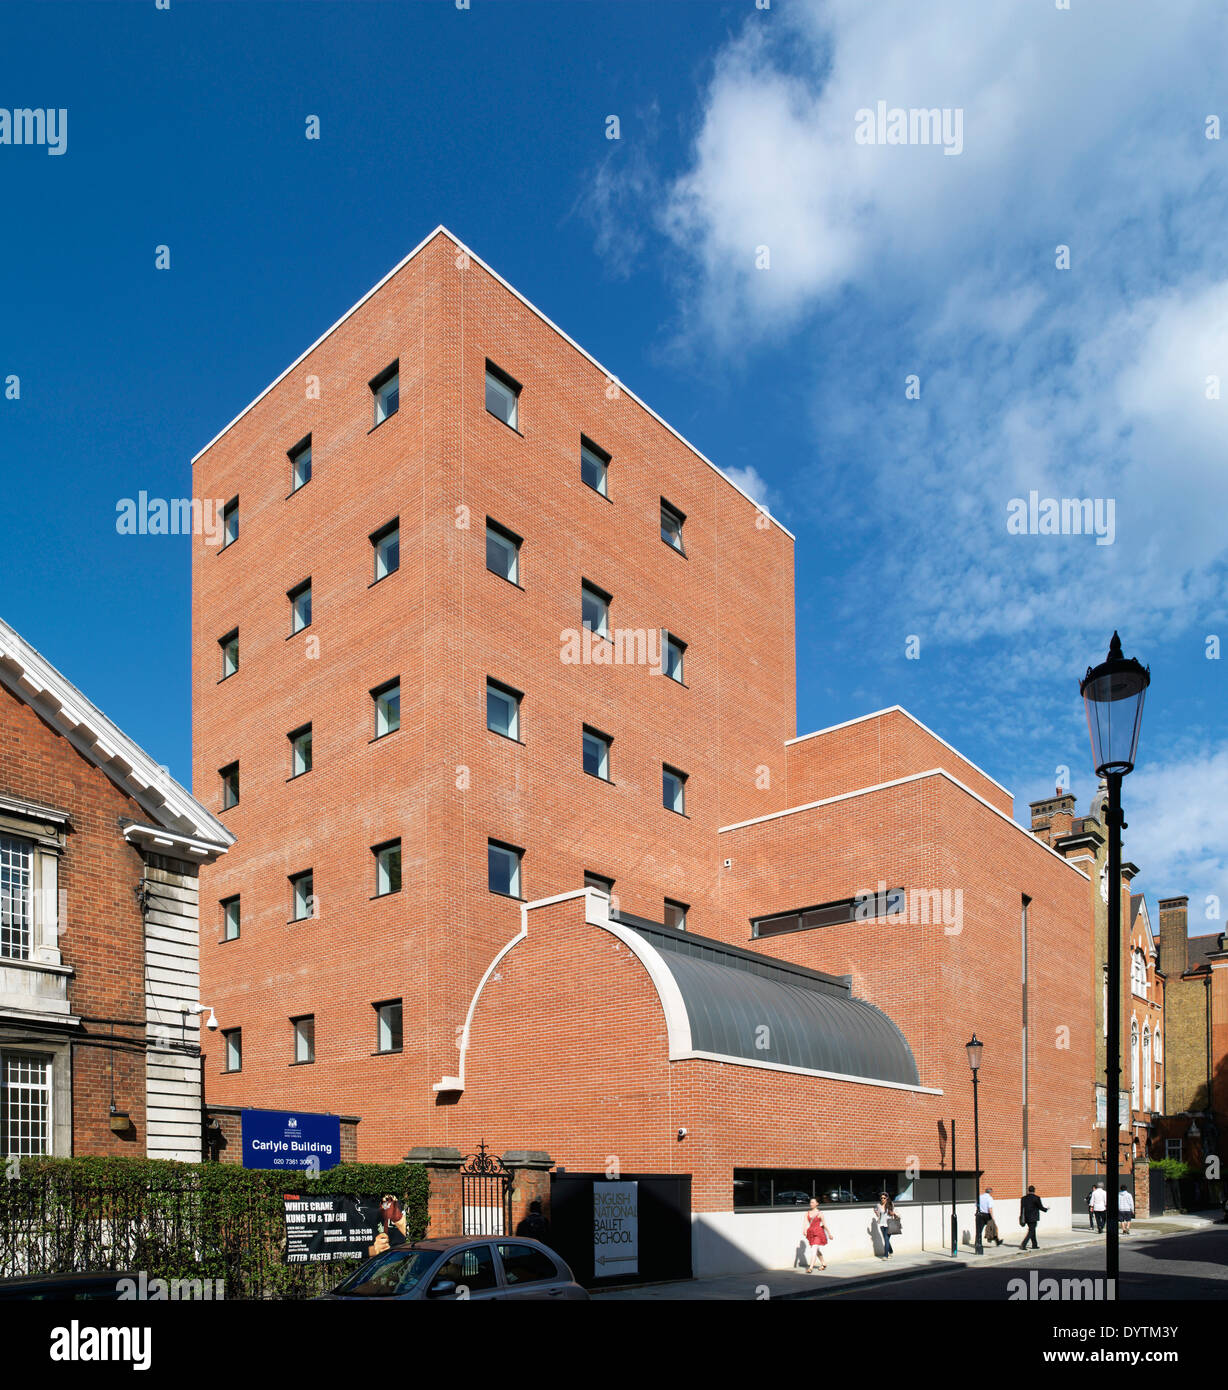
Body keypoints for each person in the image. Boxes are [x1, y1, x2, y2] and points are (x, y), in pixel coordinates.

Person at [367, 1193, 409, 1258]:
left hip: (399, 1251)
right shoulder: (374, 1205)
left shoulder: (401, 1205)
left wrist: (398, 1220)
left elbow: (409, 1236)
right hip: (382, 1256)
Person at [802, 1199, 831, 1272]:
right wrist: (804, 1230)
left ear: (817, 1203)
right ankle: (823, 1263)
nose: (811, 1204)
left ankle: (810, 1268)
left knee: (814, 1249)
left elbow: (824, 1225)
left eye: (812, 1202)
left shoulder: (820, 1213)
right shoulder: (807, 1213)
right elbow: (805, 1223)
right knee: (817, 1250)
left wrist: (829, 1234)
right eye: (810, 1202)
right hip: (811, 1233)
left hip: (818, 1233)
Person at [1019, 1185, 1048, 1250]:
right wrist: (1046, 1209)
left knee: (1032, 1230)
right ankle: (1023, 1244)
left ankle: (1034, 1245)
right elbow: (1040, 1207)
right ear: (1034, 1190)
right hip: (1033, 1217)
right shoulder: (1036, 1198)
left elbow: (1021, 1208)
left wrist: (1021, 1217)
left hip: (1026, 1217)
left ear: (1028, 1190)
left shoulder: (1023, 1198)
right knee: (1031, 1231)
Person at [874, 1192, 897, 1258]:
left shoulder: (890, 1204)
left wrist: (891, 1212)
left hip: (889, 1224)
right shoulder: (878, 1205)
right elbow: (876, 1211)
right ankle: (891, 1251)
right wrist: (877, 1214)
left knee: (886, 1240)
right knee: (886, 1239)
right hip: (882, 1224)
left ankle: (886, 1255)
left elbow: (893, 1213)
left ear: (887, 1198)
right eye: (881, 1198)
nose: (882, 1199)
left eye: (884, 1198)